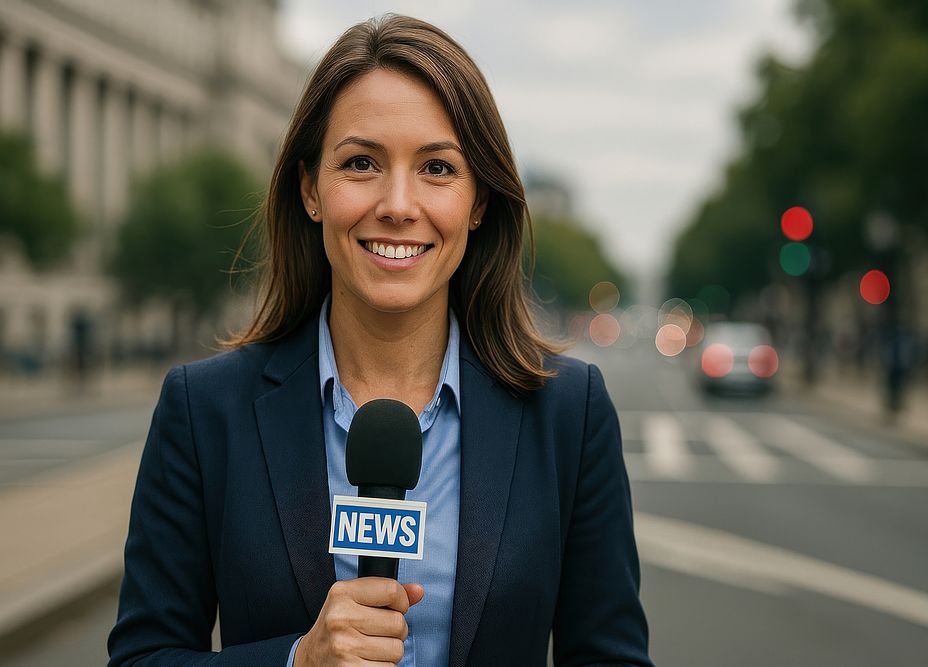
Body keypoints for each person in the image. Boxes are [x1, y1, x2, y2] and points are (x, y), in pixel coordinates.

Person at [108, 14, 650, 666]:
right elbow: (142, 656)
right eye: (361, 162)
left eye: (438, 168)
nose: (398, 203)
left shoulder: (569, 413)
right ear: (311, 189)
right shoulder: (203, 410)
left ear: (478, 202)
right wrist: (297, 661)